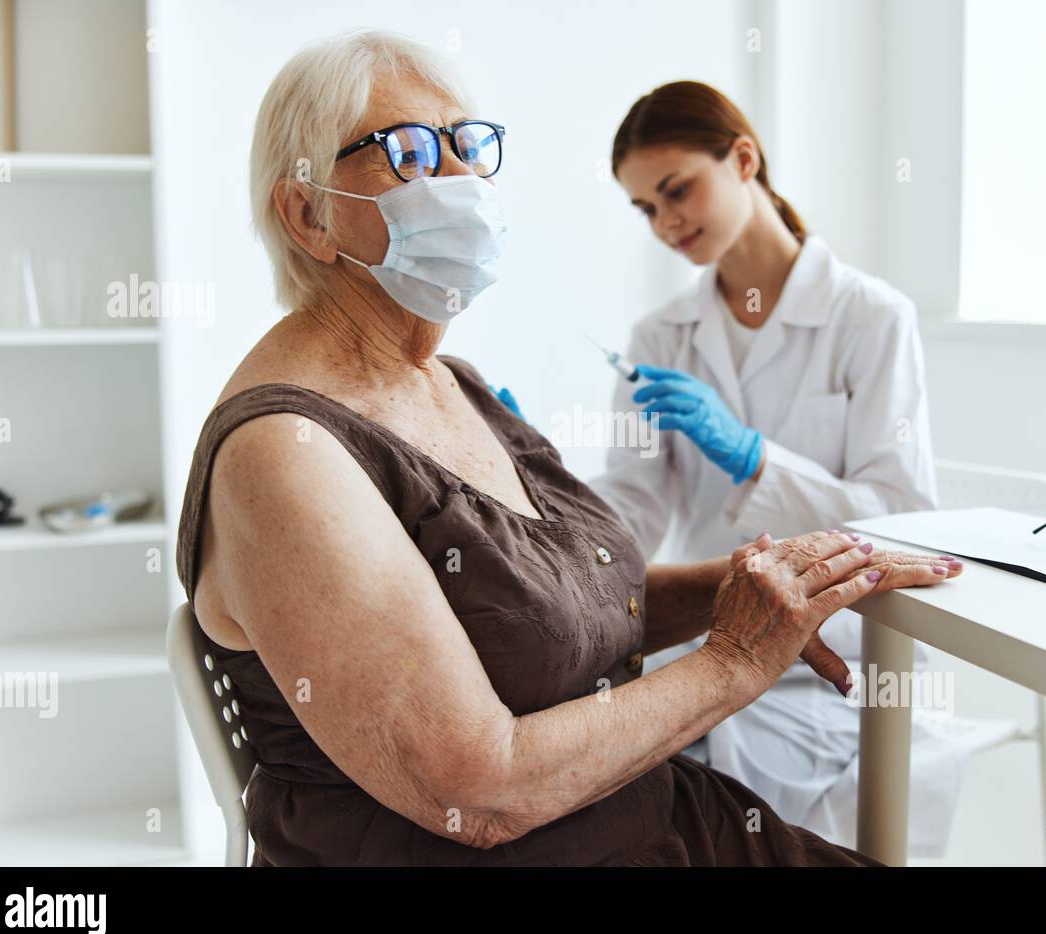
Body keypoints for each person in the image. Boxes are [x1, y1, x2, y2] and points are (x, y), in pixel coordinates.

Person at [174, 30, 963, 866]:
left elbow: (566, 600)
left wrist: (747, 588)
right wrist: (733, 656)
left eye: (467, 147)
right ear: (308, 214)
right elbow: (478, 791)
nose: (458, 184)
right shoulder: (285, 452)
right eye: (406, 152)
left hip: (650, 813)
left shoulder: (451, 381)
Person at [589, 81, 967, 856]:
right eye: (644, 209)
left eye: (676, 190)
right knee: (614, 761)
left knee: (681, 791)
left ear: (744, 159)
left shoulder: (871, 318)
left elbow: (904, 518)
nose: (665, 223)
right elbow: (631, 511)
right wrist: (533, 484)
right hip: (718, 640)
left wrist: (758, 459)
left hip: (850, 659)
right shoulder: (661, 335)